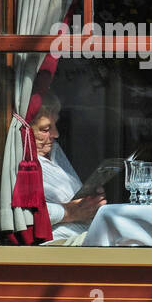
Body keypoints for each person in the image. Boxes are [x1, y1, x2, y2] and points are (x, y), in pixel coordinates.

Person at [30, 95, 104, 245]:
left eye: (55, 125)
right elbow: (21, 215)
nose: (56, 134)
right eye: (45, 129)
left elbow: (72, 195)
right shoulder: (21, 162)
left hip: (87, 232)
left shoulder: (54, 150)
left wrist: (90, 202)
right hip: (57, 243)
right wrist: (69, 212)